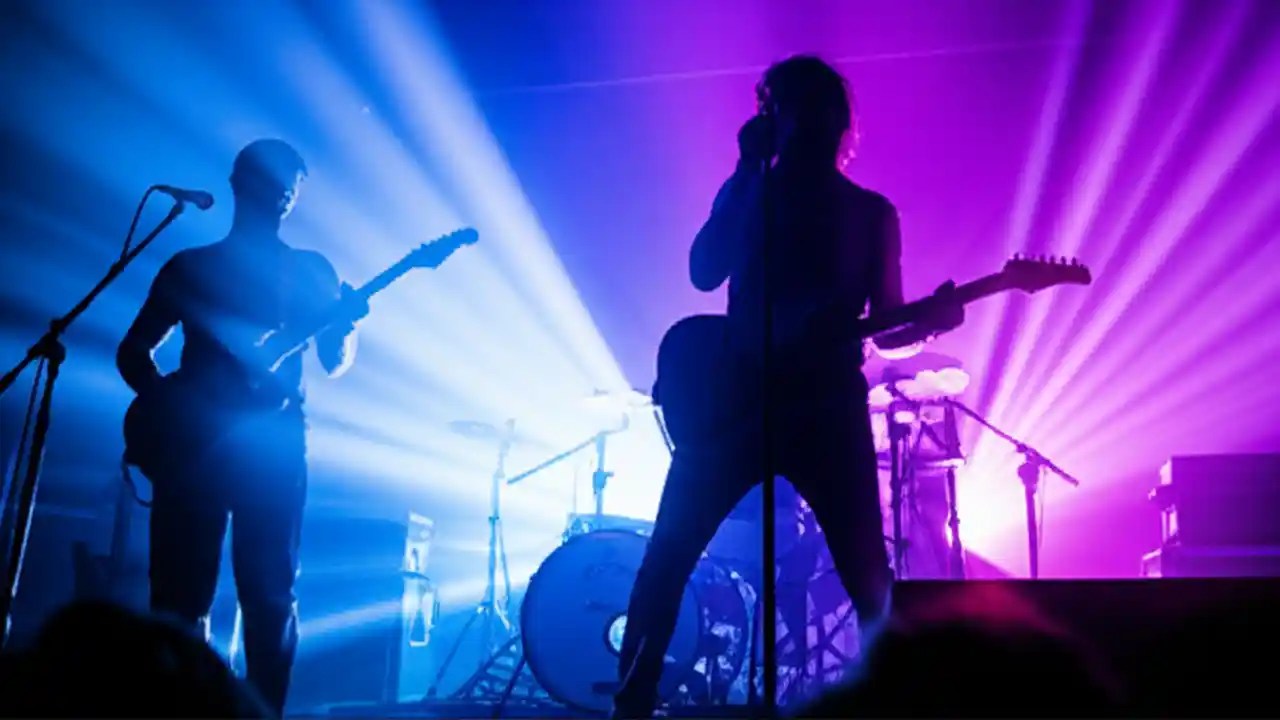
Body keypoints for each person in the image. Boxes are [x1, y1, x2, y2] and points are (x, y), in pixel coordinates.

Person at [613, 56, 963, 717]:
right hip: (737, 405)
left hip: (826, 406)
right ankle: (627, 707)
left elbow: (886, 329)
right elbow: (702, 270)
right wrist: (745, 173)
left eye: (794, 107)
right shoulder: (749, 193)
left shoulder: (869, 214)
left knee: (868, 579)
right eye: (777, 108)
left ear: (829, 118)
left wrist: (930, 326)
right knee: (666, 562)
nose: (787, 121)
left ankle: (894, 704)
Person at [117, 139, 367, 715]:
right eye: (272, 183)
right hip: (202, 447)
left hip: (270, 447)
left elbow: (334, 359)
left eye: (289, 187)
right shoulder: (192, 266)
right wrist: (171, 408)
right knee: (185, 599)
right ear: (239, 184)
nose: (280, 195)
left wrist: (347, 324)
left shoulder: (309, 270)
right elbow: (134, 351)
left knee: (268, 595)